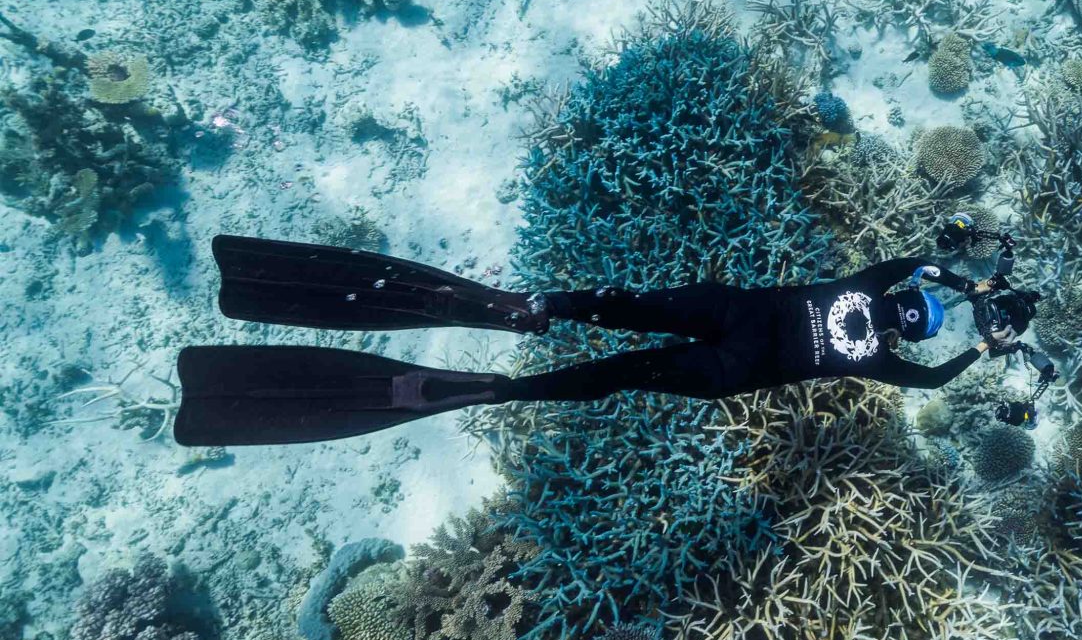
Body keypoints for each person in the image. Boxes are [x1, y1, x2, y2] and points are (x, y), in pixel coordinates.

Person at [173, 235, 1031, 446]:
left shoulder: (862, 290)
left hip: (724, 318)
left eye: (910, 305)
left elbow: (915, 262)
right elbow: (929, 382)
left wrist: (969, 284)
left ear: (903, 305)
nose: (900, 310)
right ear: (906, 333)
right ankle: (498, 383)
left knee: (616, 312)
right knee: (617, 368)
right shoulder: (873, 357)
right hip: (727, 361)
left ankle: (527, 312)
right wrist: (978, 346)